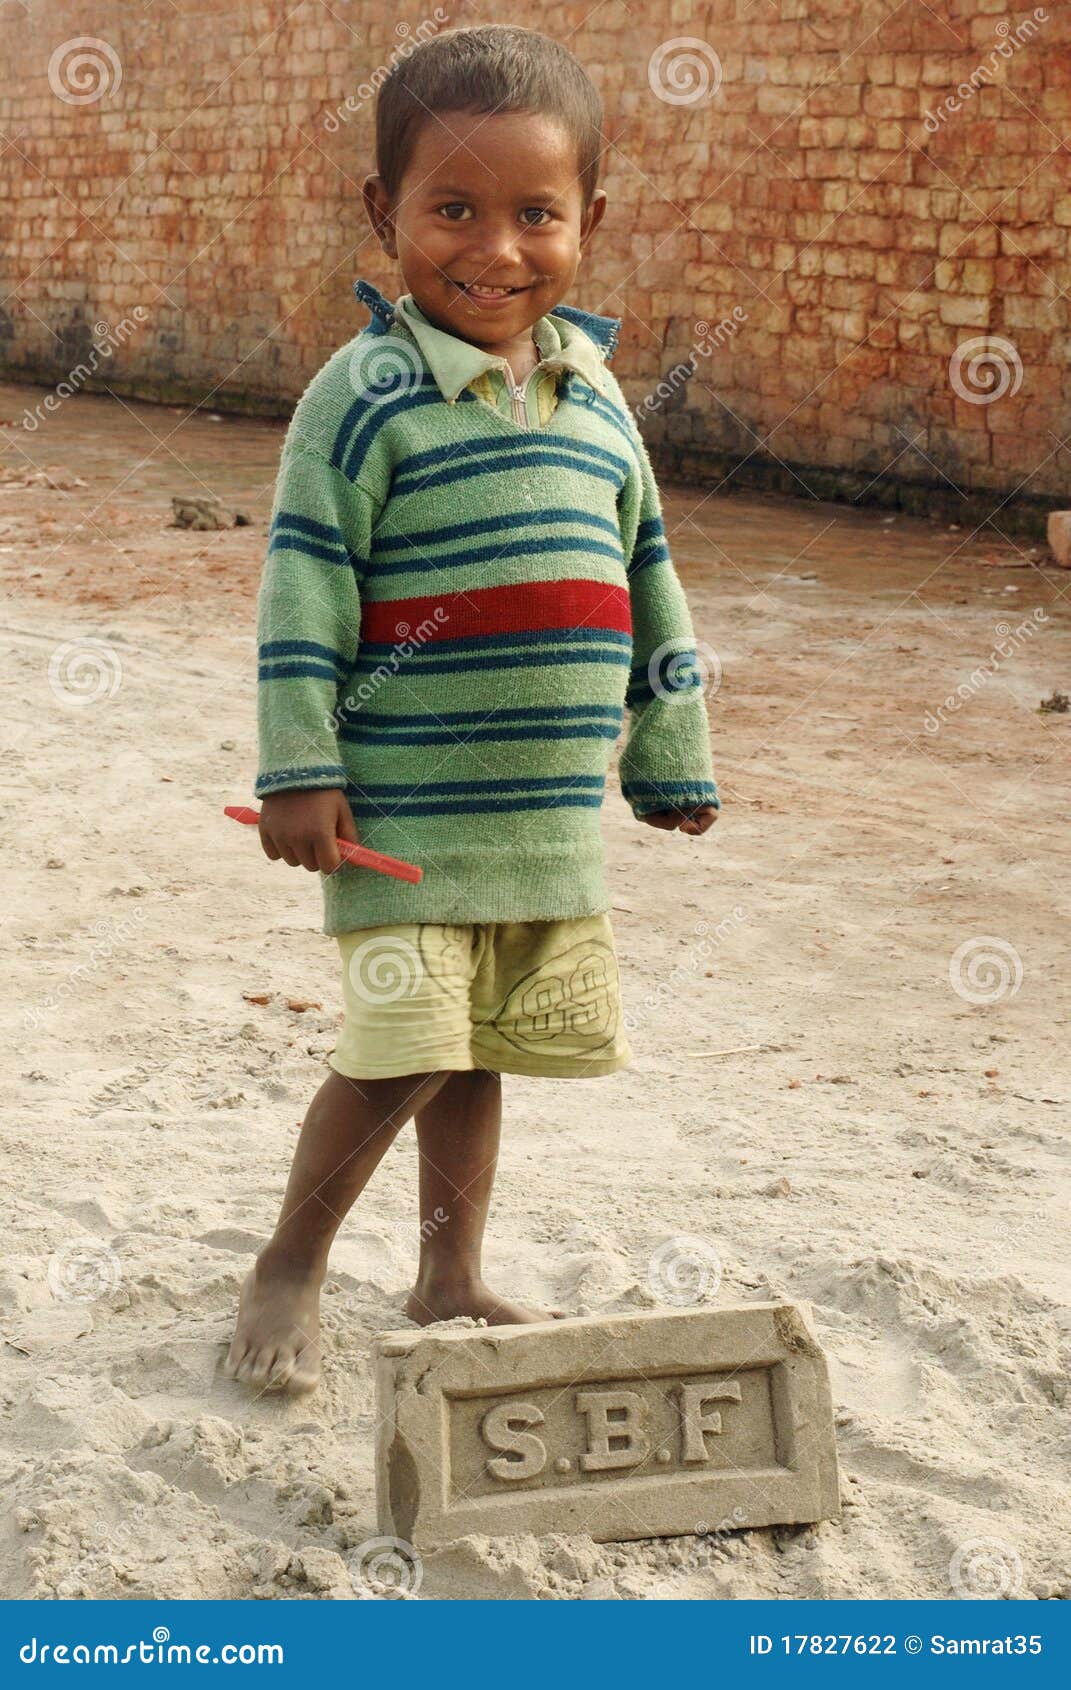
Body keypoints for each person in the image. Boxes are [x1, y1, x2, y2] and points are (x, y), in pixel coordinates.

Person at [225, 24, 719, 1393]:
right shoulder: (365, 393)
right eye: (452, 209)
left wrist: (670, 743)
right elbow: (304, 584)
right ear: (383, 214)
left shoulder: (599, 392)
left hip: (542, 817)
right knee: (396, 1050)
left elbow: (650, 572)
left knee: (479, 1049)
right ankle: (290, 1265)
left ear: (590, 222)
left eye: (534, 215)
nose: (495, 249)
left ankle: (448, 1272)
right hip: (401, 812)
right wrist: (297, 762)